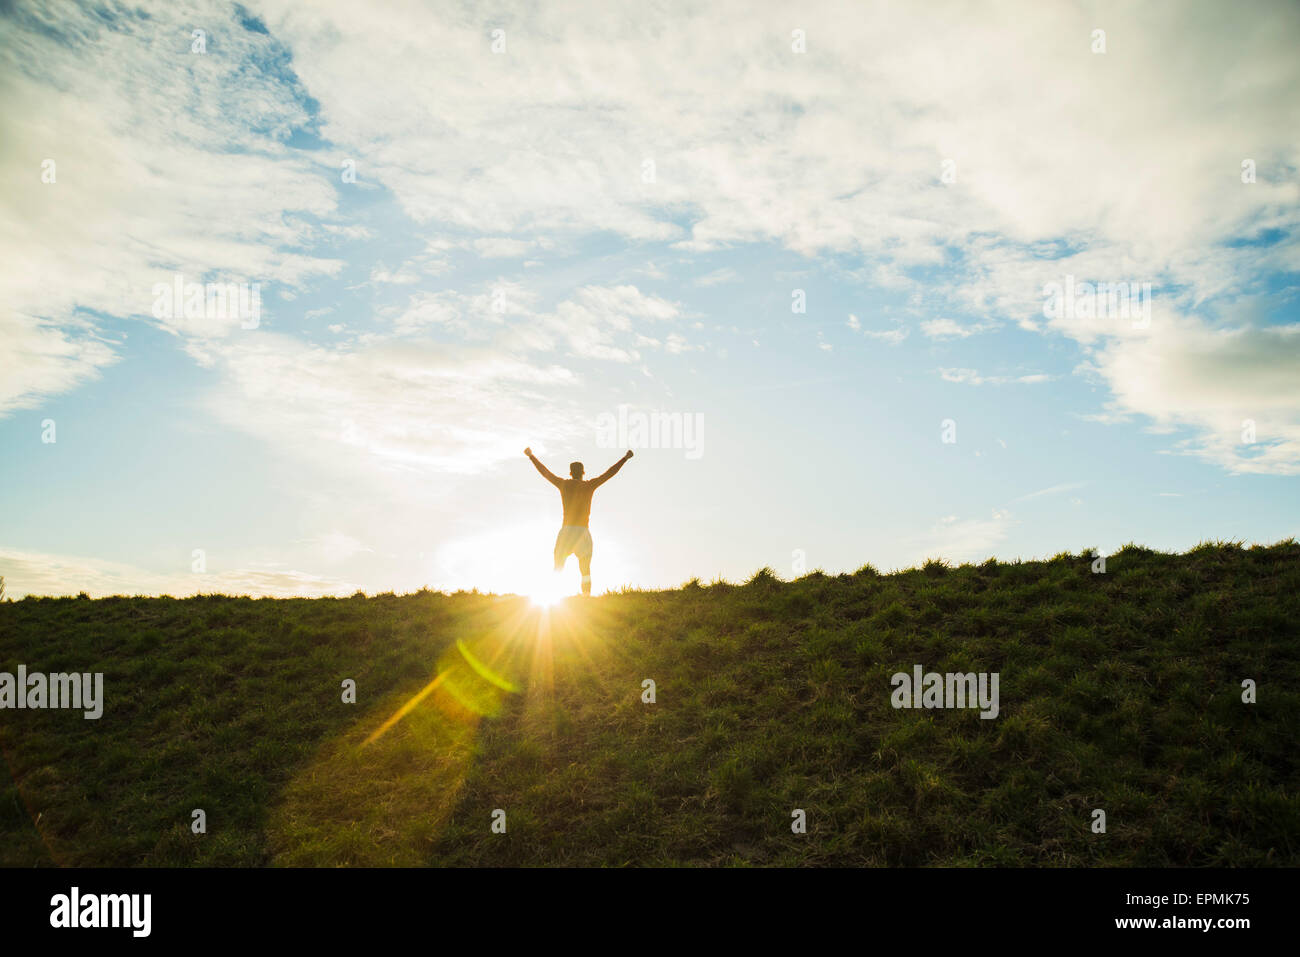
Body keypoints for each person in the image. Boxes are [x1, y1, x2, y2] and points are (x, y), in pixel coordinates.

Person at [525, 447, 633, 596]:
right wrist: (625, 458)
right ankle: (586, 597)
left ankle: (553, 595)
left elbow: (545, 473)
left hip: (567, 530)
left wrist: (531, 456)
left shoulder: (564, 484)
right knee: (585, 569)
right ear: (583, 472)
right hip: (582, 531)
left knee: (558, 564)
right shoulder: (589, 486)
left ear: (570, 473)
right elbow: (609, 473)